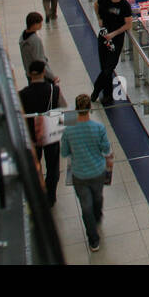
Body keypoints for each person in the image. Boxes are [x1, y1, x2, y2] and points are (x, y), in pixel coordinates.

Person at [60, 94, 113, 251]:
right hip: (98, 171)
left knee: (85, 206)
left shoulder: (69, 130)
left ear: (76, 109)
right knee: (98, 197)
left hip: (79, 174)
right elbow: (106, 149)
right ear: (90, 108)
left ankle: (93, 239)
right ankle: (97, 217)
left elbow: (64, 153)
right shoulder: (98, 128)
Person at [18, 59, 62, 207]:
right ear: (44, 72)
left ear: (29, 74)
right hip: (50, 133)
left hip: (32, 135)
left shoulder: (23, 94)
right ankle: (51, 195)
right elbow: (60, 107)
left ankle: (38, 192)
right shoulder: (53, 90)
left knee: (35, 165)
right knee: (53, 165)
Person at [92, 0, 133, 106]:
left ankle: (96, 90)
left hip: (116, 38)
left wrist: (114, 34)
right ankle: (107, 95)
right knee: (104, 66)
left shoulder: (125, 5)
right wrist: (99, 18)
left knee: (110, 67)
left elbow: (128, 24)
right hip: (104, 35)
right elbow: (96, 5)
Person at [18, 11, 58, 83]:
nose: (41, 25)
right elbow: (39, 60)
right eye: (39, 23)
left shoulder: (22, 37)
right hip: (39, 76)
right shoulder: (35, 40)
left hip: (29, 73)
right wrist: (52, 76)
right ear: (34, 24)